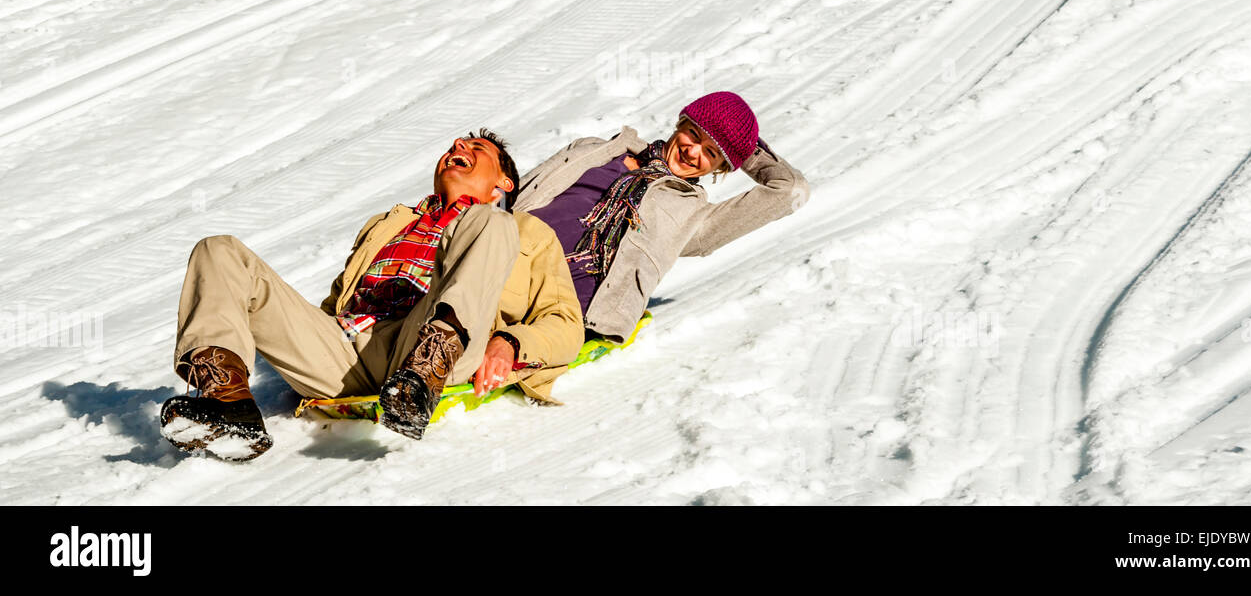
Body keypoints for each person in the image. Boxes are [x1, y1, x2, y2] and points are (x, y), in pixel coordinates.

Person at [160, 129, 583, 460]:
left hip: (429, 346)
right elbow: (336, 302)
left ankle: (420, 378)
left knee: (487, 222)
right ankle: (229, 404)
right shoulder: (388, 223)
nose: (457, 146)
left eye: (476, 147)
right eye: (455, 143)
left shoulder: (519, 230)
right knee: (218, 250)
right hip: (346, 349)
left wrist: (510, 342)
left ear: (503, 182)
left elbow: (566, 324)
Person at [514, 92, 809, 343]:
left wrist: (741, 147)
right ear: (681, 124)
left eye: (711, 153)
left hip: (559, 301)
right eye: (693, 134)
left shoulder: (691, 216)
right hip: (505, 252)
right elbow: (517, 193)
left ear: (720, 167)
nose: (692, 152)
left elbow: (789, 190)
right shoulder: (597, 149)